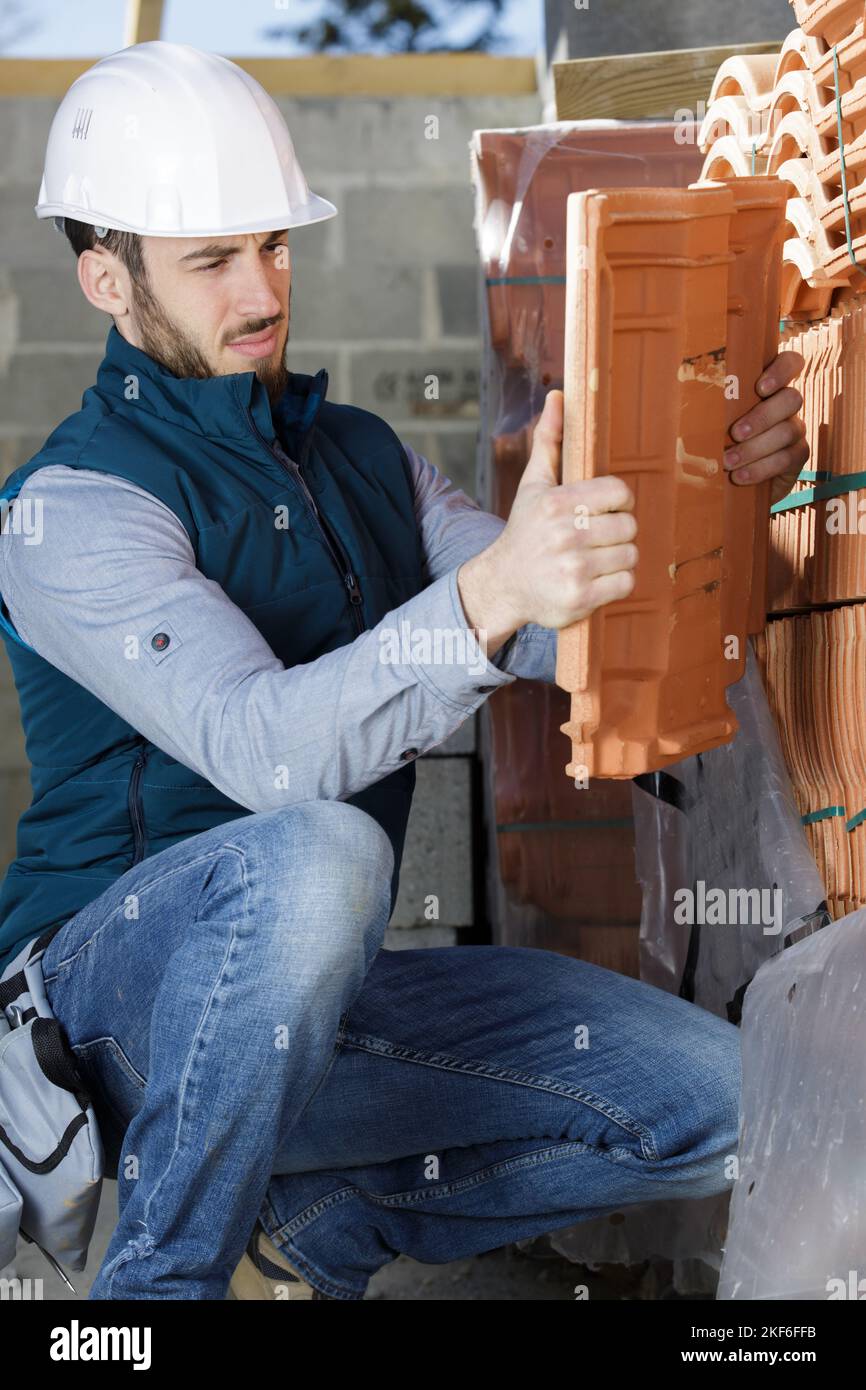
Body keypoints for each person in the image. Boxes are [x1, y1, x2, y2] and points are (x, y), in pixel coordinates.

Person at [0, 41, 809, 1301]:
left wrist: (729, 475)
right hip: (113, 1011)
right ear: (107, 278)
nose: (263, 290)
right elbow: (271, 752)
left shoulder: (362, 457)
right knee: (322, 850)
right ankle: (152, 1300)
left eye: (274, 244)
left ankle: (319, 1221)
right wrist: (489, 596)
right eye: (211, 261)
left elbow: (571, 625)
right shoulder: (73, 506)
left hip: (321, 999)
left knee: (742, 1103)